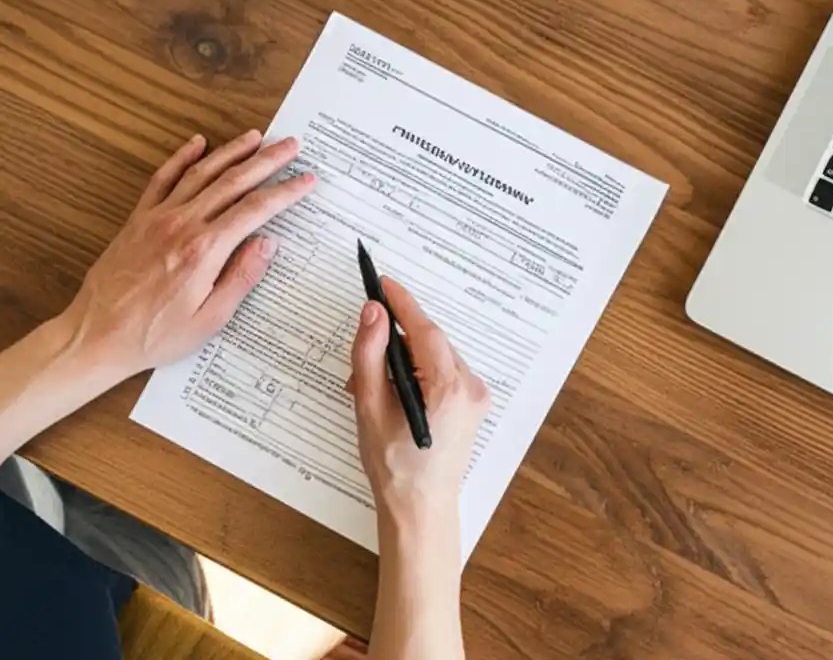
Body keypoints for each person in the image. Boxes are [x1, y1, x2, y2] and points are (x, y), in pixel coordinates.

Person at [0, 131, 488, 660]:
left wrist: (89, 336)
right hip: (96, 599)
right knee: (160, 567)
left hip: (46, 557)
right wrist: (421, 503)